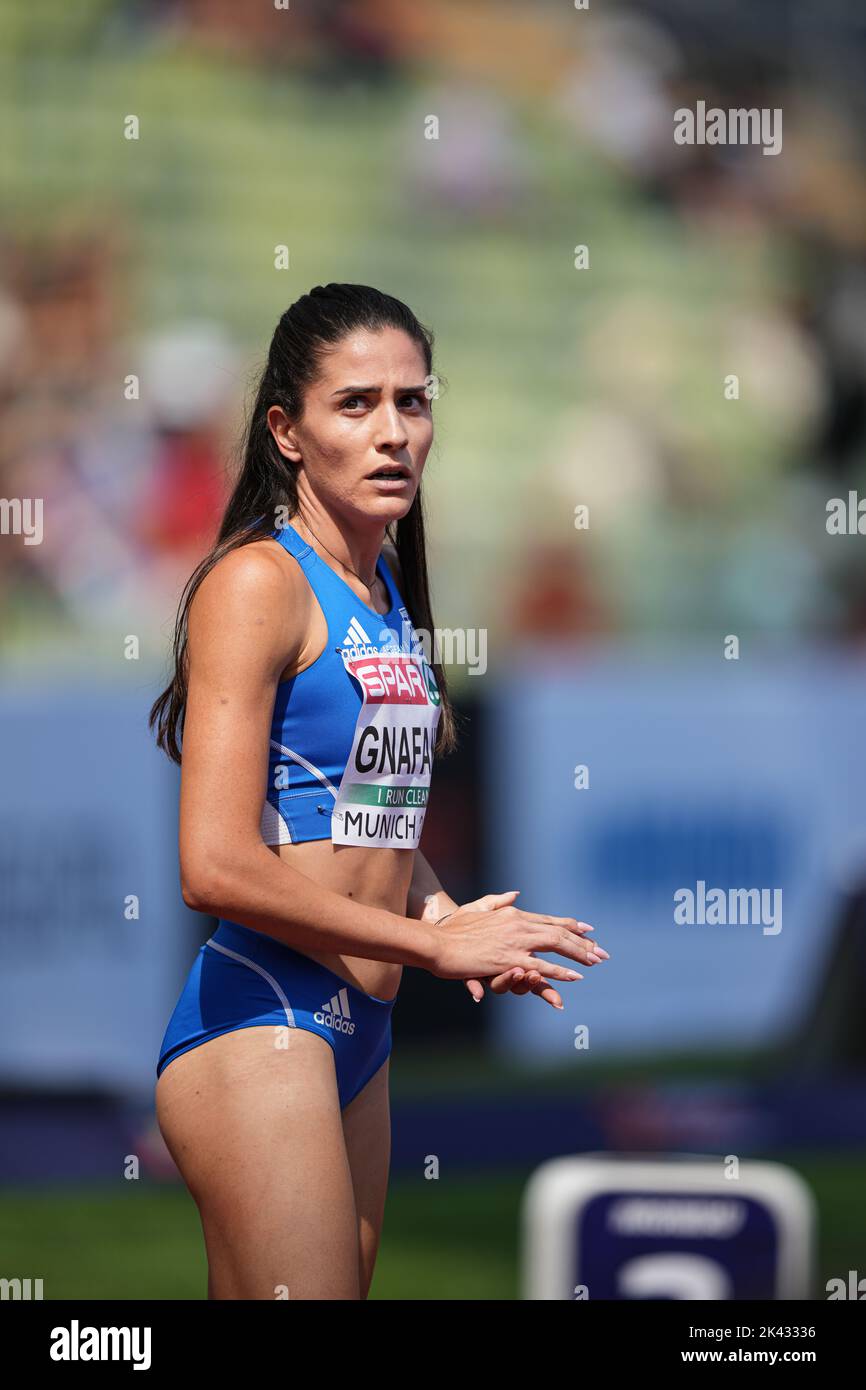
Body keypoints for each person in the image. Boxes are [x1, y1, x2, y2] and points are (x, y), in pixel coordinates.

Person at [149, 283, 609, 1300]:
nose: (393, 432)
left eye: (413, 401)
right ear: (286, 430)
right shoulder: (259, 582)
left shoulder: (383, 588)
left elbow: (364, 820)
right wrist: (434, 945)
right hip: (261, 1019)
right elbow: (213, 865)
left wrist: (449, 912)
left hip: (359, 1031)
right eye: (355, 404)